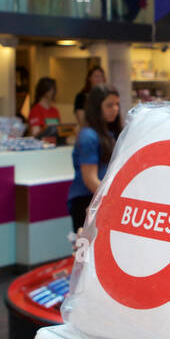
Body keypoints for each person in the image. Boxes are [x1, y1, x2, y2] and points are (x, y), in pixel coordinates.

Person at [67, 84, 121, 234]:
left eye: (117, 104)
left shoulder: (111, 134)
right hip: (88, 200)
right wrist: (113, 200)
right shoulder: (88, 136)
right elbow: (90, 179)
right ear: (97, 107)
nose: (115, 109)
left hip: (100, 199)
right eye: (109, 105)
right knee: (88, 253)